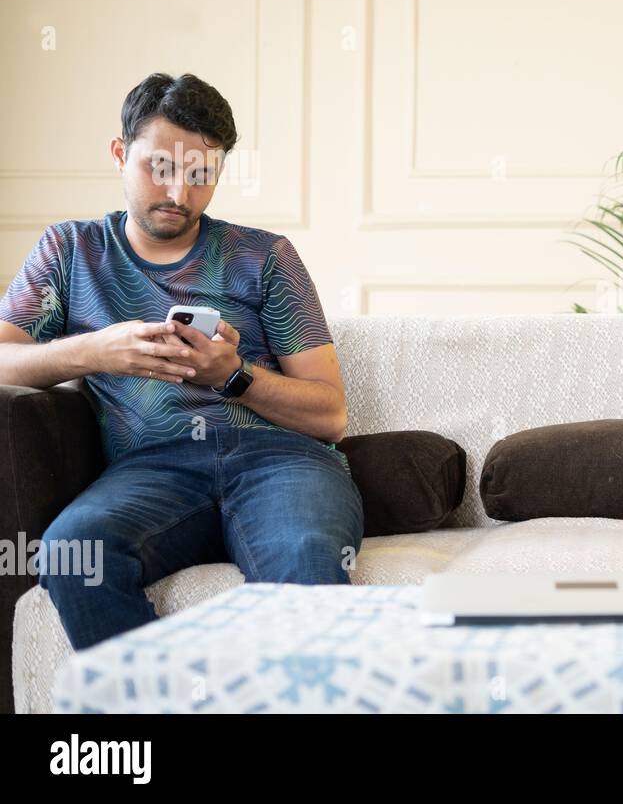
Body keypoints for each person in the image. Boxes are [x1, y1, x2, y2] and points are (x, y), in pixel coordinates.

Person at [0, 72, 363, 649]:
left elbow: (330, 416)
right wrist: (95, 351)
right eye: (159, 168)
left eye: (201, 175)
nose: (178, 194)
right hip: (152, 470)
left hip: (280, 463)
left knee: (304, 566)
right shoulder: (70, 250)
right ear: (120, 153)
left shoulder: (265, 255)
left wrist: (234, 377)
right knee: (73, 555)